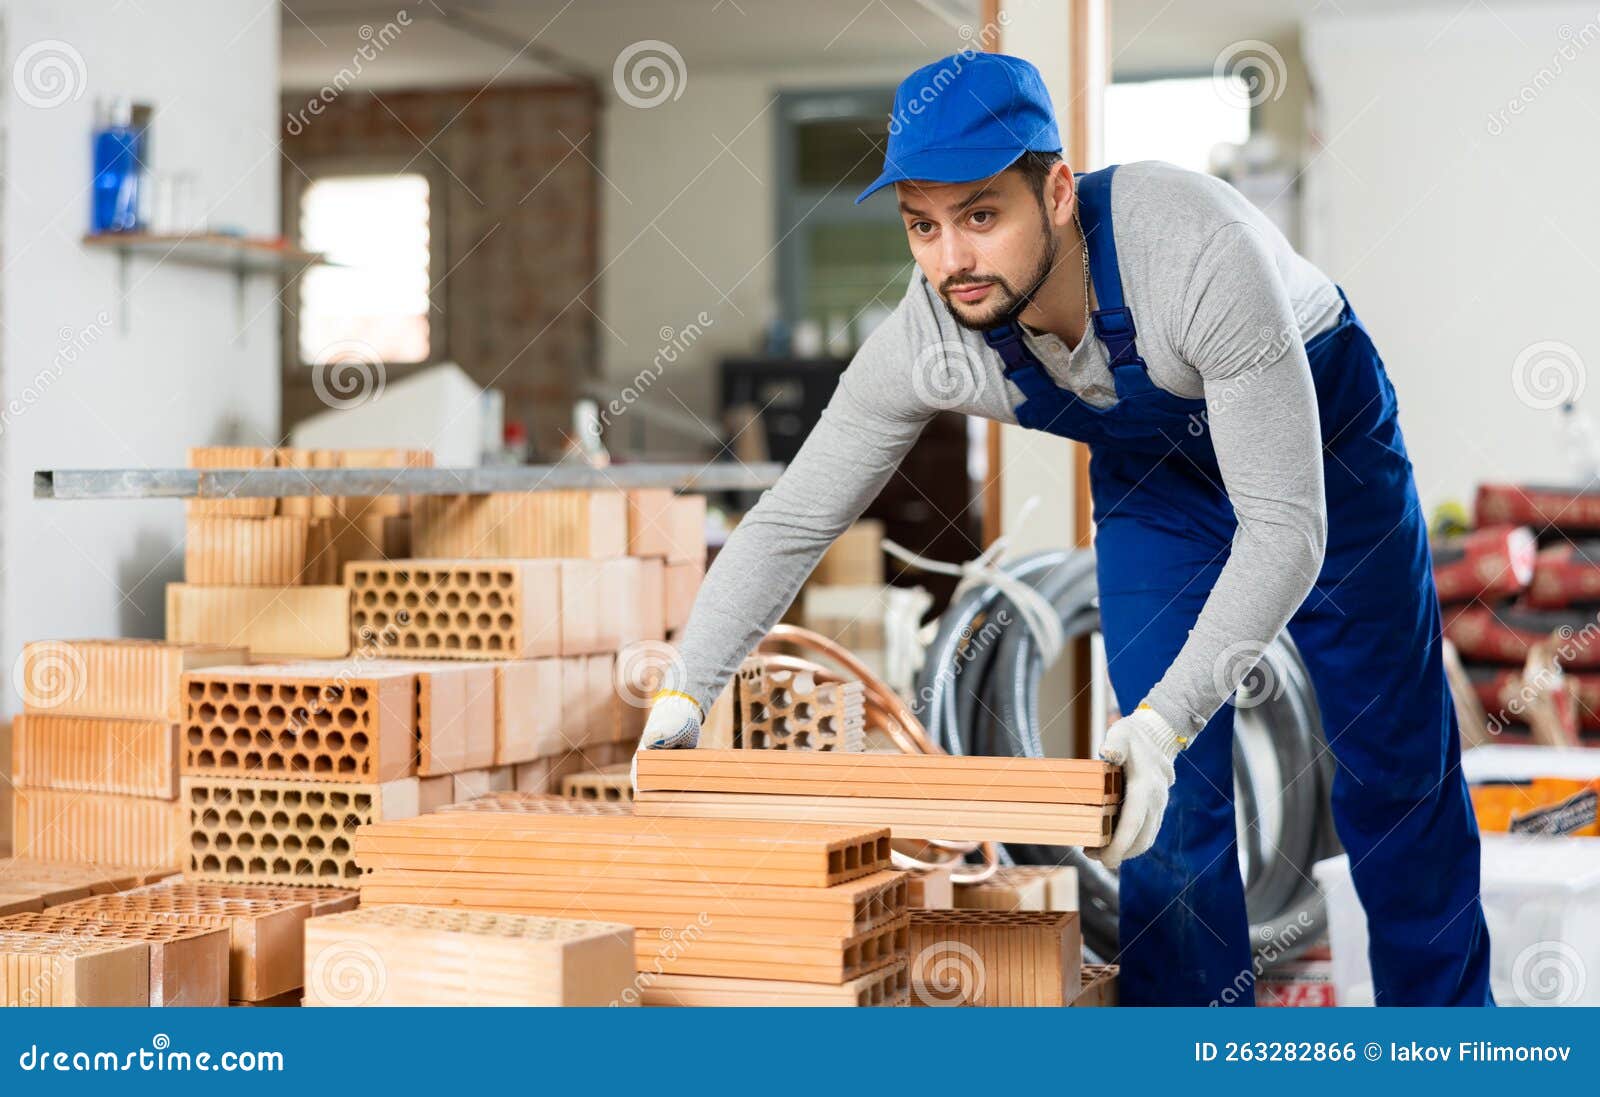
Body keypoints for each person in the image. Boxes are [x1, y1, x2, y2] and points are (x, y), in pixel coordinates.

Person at [635, 51, 1493, 1006]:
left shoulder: (1198, 253)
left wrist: (1169, 721)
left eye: (980, 217)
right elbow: (795, 516)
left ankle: (1451, 1041)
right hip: (1158, 481)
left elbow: (1287, 532)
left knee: (1391, 762)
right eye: (922, 225)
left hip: (1320, 437)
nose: (950, 259)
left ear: (1054, 191)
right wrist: (684, 693)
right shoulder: (930, 336)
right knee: (1157, 800)